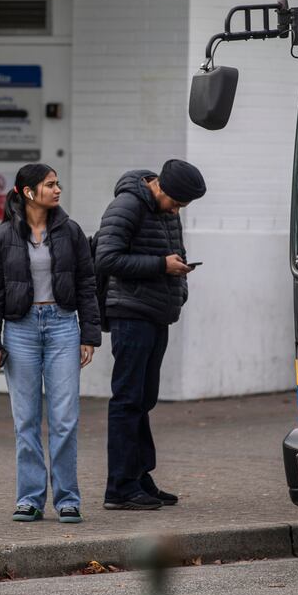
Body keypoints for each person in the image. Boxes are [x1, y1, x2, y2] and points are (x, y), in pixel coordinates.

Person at [0, 164, 100, 524]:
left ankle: (67, 499)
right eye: (50, 184)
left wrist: (89, 335)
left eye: (57, 183)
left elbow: (87, 285)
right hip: (21, 329)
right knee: (26, 419)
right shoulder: (2, 238)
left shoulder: (71, 232)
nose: (58, 189)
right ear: (28, 192)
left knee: (65, 418)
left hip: (63, 326)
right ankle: (29, 499)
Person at [95, 159, 205, 510]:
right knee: (127, 400)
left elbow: (177, 255)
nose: (177, 210)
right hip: (131, 314)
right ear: (160, 187)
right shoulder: (127, 205)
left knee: (144, 400)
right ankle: (120, 487)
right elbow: (106, 258)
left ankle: (140, 477)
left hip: (157, 314)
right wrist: (161, 266)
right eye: (175, 203)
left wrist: (180, 283)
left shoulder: (167, 212)